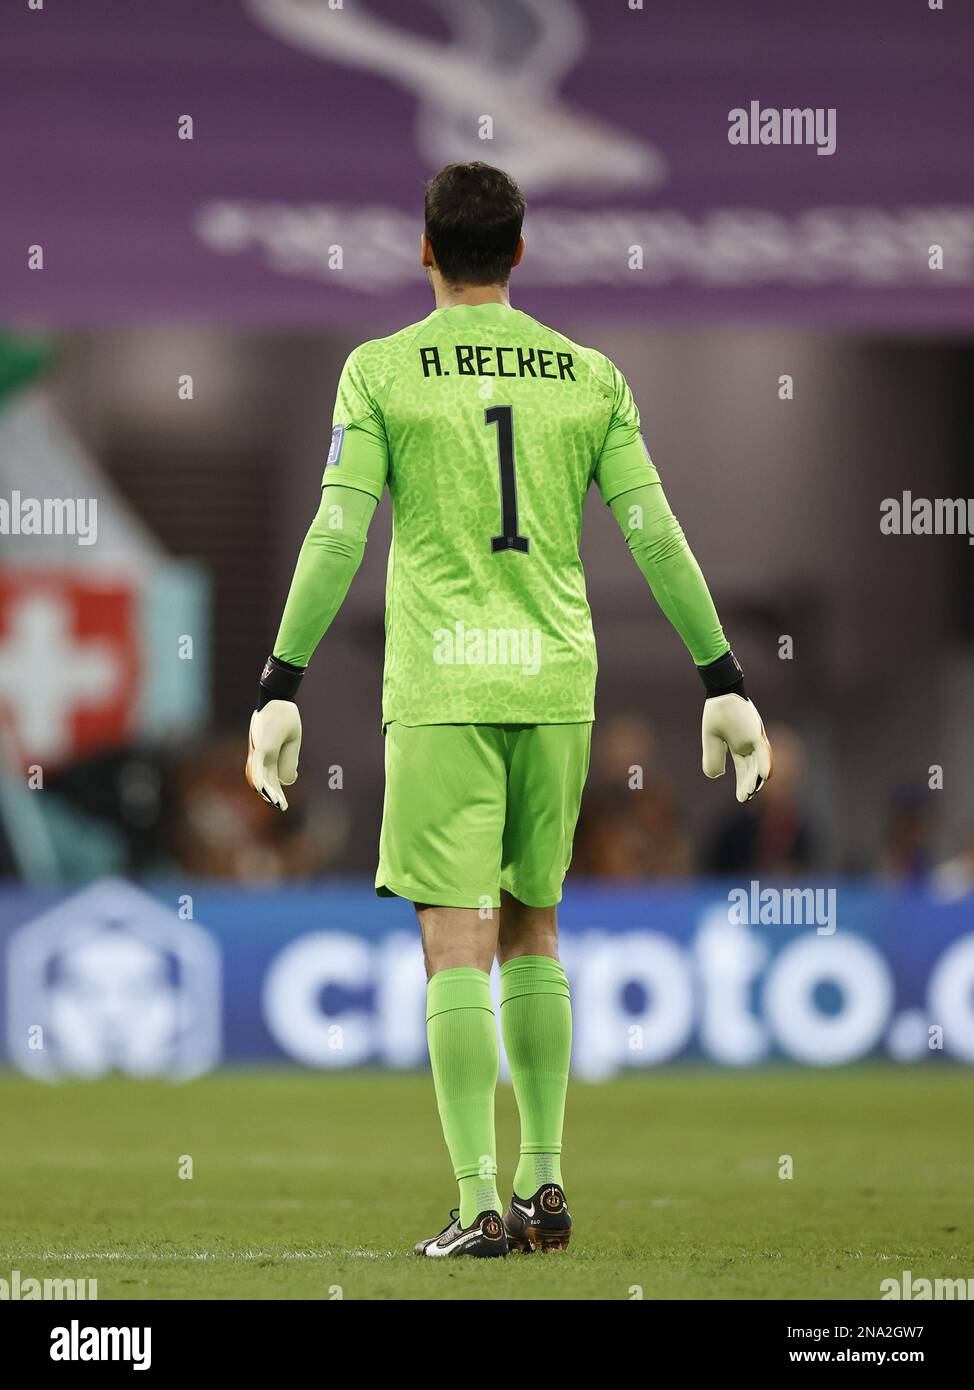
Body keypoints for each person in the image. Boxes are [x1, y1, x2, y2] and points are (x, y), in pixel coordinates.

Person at [245, 162, 772, 1258]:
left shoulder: (380, 371)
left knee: (454, 942)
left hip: (444, 683)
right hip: (555, 683)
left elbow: (337, 535)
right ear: (519, 253)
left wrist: (278, 684)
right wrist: (720, 677)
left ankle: (480, 1200)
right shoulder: (589, 376)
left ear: (423, 249)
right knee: (534, 924)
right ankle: (546, 1184)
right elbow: (653, 533)